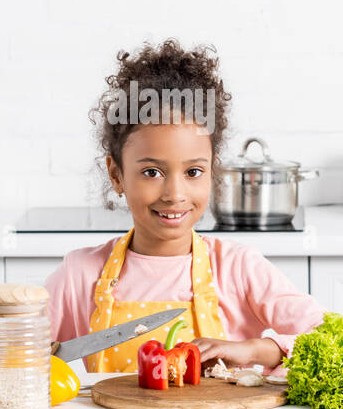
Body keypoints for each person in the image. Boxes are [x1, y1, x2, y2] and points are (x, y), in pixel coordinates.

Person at [44, 39, 325, 374]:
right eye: (152, 172)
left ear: (212, 170)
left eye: (193, 172)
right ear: (117, 174)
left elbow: (328, 341)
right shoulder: (79, 274)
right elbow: (9, 356)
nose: (174, 194)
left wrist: (254, 349)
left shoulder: (238, 268)